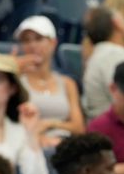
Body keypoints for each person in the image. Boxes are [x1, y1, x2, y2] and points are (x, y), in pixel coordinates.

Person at [13, 15, 84, 148]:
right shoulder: (16, 82)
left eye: (39, 39)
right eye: (26, 41)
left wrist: (49, 123)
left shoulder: (68, 83)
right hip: (29, 144)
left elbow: (79, 127)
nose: (32, 45)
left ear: (53, 43)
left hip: (65, 147)